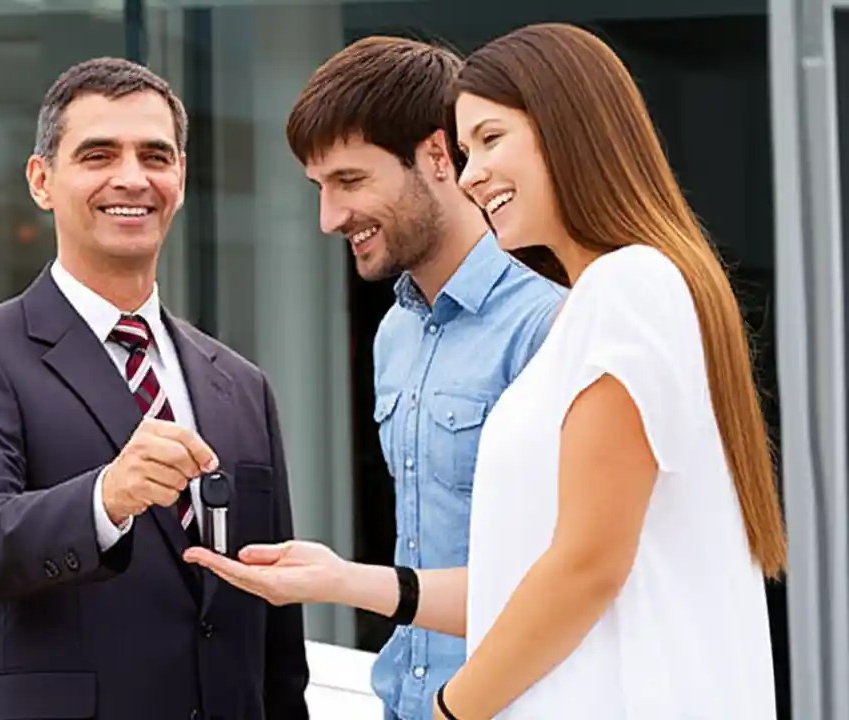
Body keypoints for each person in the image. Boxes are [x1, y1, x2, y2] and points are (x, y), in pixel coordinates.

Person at [186, 22, 788, 720]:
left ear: (570, 128)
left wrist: (449, 711)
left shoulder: (624, 290)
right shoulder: (595, 302)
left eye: (491, 141)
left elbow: (584, 568)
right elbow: (525, 575)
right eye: (470, 149)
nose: (475, 174)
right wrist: (341, 581)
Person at [0, 57, 310, 720]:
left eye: (155, 156)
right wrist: (106, 499)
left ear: (180, 178)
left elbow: (274, 632)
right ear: (42, 180)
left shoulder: (241, 386)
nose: (131, 177)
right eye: (98, 154)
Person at [281, 36, 563, 718]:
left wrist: (347, 582)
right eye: (320, 189)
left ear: (439, 155)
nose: (329, 218)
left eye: (351, 181)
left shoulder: (550, 325)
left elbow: (564, 579)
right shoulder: (395, 334)